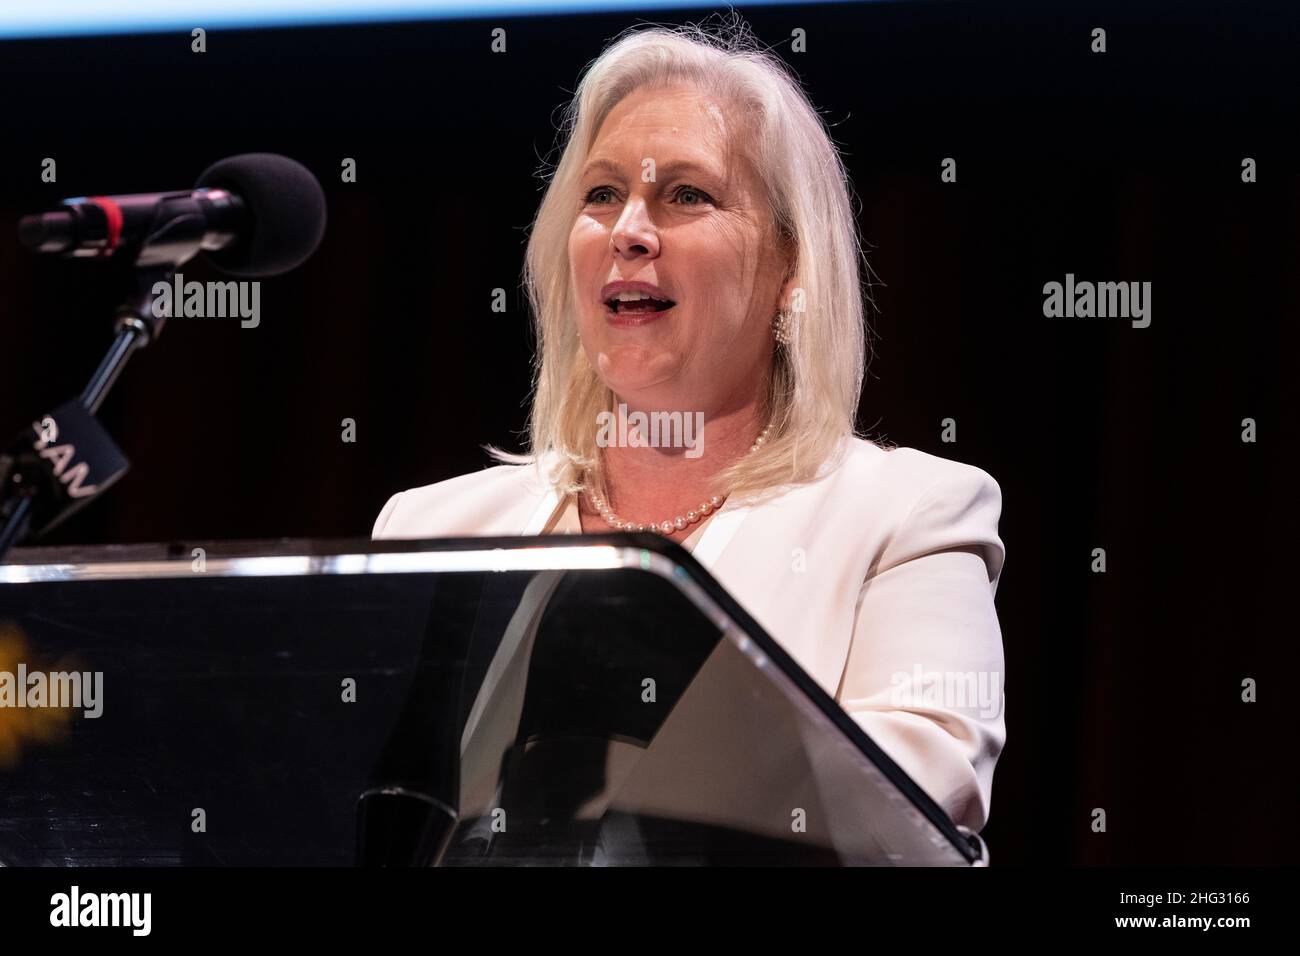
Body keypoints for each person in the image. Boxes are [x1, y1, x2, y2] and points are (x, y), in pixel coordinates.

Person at [373, 19, 1007, 834]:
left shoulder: (907, 518)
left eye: (685, 195)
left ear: (791, 270)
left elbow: (921, 795)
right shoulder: (431, 527)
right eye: (601, 194)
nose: (628, 231)